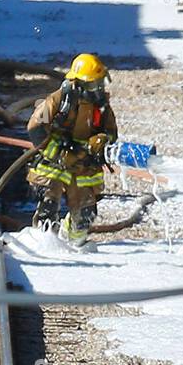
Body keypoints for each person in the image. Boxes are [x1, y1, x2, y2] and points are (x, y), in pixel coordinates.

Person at [26, 53, 117, 247]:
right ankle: (45, 245)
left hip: (84, 165)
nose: (98, 89)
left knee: (85, 216)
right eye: (93, 85)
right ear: (78, 83)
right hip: (56, 163)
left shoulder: (101, 106)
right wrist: (58, 152)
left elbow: (111, 133)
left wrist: (102, 140)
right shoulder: (59, 101)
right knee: (48, 207)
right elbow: (35, 128)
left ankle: (75, 246)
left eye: (100, 83)